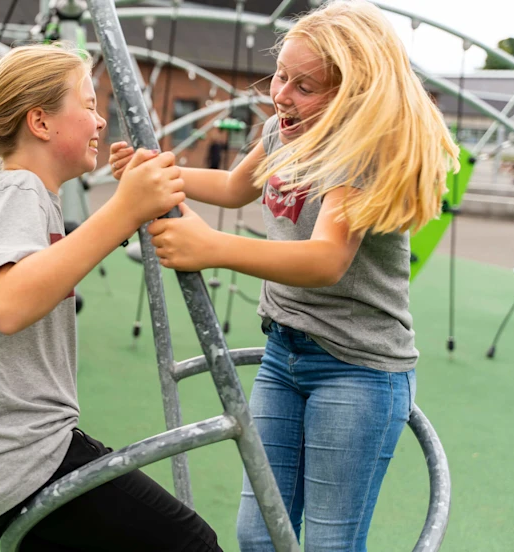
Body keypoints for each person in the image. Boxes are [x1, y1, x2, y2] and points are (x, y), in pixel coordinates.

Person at [109, 1, 460, 550]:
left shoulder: (359, 150)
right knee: (259, 534)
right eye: (281, 76)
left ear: (351, 95)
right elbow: (232, 187)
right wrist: (155, 170)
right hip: (284, 356)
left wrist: (214, 247)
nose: (281, 95)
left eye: (304, 86)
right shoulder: (280, 131)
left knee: (328, 543)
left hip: (357, 368)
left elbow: (326, 260)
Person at [0, 44, 222, 551]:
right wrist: (122, 210)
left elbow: (47, 267)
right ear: (41, 123)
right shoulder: (18, 190)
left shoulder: (28, 195)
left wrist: (132, 211)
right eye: (90, 105)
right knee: (191, 543)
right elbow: (8, 305)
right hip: (17, 460)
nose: (101, 121)